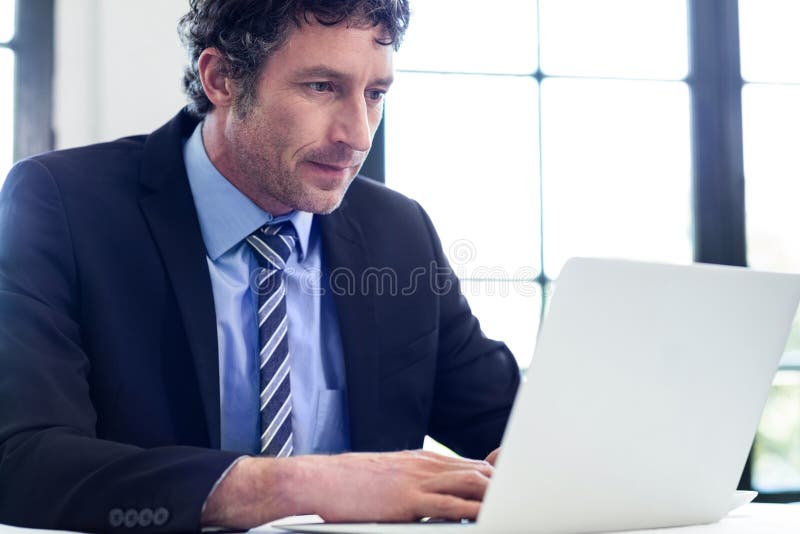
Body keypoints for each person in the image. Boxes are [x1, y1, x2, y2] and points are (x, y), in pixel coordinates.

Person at [0, 1, 520, 532]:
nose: (358, 135)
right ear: (221, 78)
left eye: (375, 94)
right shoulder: (63, 204)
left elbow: (517, 426)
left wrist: (549, 462)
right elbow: (21, 460)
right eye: (322, 86)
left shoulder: (398, 230)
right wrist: (295, 485)